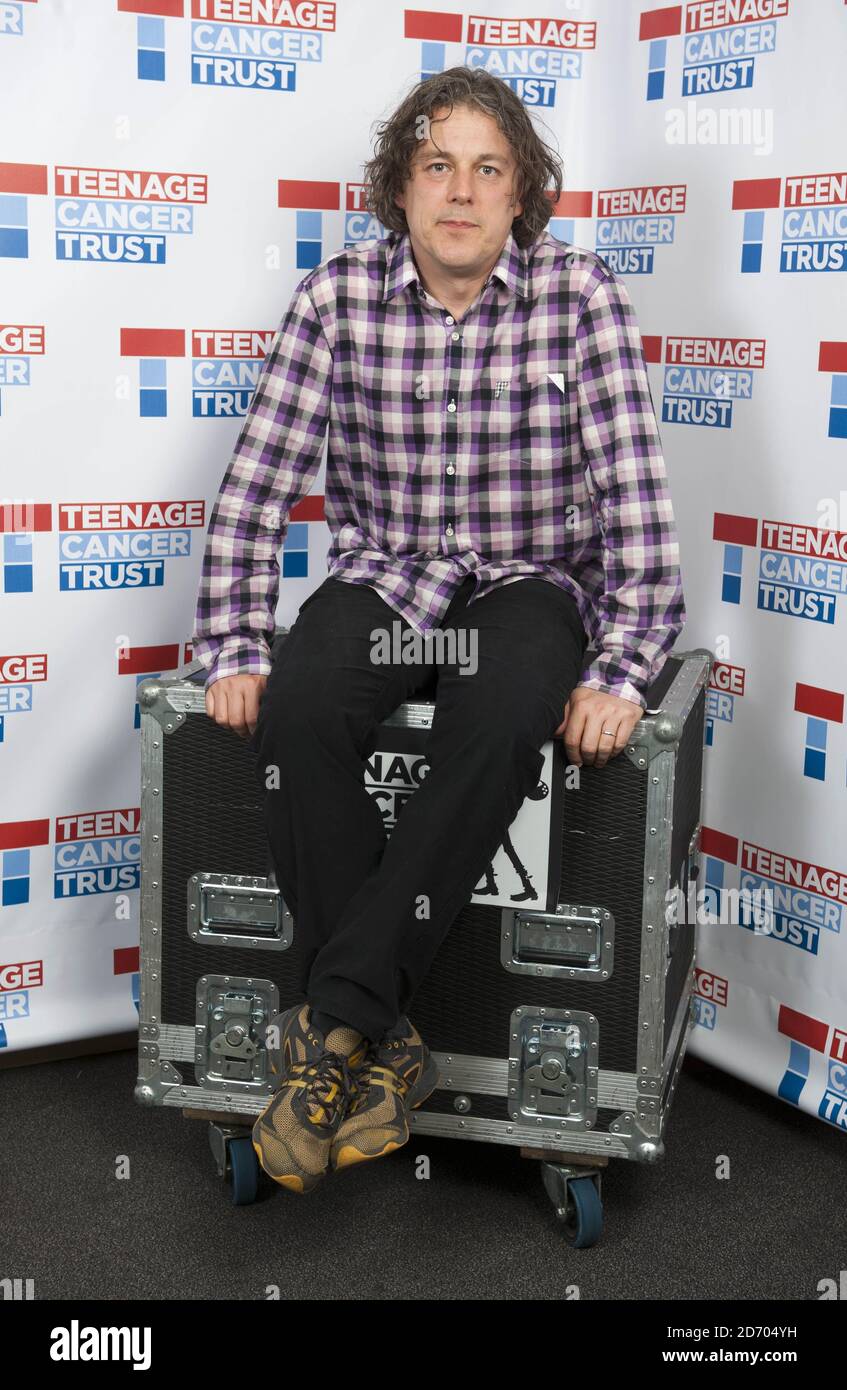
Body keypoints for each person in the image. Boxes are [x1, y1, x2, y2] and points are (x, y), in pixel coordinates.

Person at [190, 66, 686, 1194]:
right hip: (389, 578)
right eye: (435, 166)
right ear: (398, 191)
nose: (459, 191)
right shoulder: (336, 299)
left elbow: (637, 509)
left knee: (505, 710)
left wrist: (620, 666)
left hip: (526, 582)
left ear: (521, 196)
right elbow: (254, 489)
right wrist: (232, 641)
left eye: (487, 168)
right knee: (301, 704)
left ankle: (333, 1037)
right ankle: (382, 1041)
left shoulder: (582, 298)